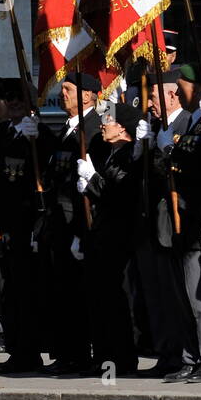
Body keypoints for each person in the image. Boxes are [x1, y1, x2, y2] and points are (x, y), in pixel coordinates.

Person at [154, 63, 201, 383]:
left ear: (197, 88)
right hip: (184, 220)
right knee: (186, 295)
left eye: (182, 85)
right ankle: (193, 356)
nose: (177, 90)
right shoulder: (192, 123)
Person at [39, 74, 107, 374]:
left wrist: (82, 231)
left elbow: (90, 187)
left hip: (79, 224)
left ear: (89, 96)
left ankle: (83, 354)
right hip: (60, 223)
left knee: (81, 295)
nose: (62, 93)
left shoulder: (94, 128)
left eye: (68, 89)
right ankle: (68, 353)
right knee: (62, 292)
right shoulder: (70, 129)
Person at [129, 67, 189, 381]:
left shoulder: (185, 122)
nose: (149, 102)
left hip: (172, 223)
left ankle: (181, 355)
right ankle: (166, 353)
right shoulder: (153, 125)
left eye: (153, 96)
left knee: (175, 295)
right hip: (148, 223)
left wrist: (162, 149)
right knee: (156, 296)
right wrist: (140, 148)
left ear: (171, 94)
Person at [77, 100, 141, 377]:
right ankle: (103, 356)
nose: (103, 125)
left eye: (109, 121)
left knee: (117, 302)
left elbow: (121, 196)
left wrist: (92, 181)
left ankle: (121, 359)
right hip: (100, 236)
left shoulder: (129, 155)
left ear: (123, 127)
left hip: (120, 237)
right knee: (98, 301)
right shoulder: (107, 153)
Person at [0, 78, 47, 373]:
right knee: (8, 291)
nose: (11, 105)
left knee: (26, 292)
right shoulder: (0, 132)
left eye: (17, 101)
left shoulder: (38, 135)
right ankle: (15, 349)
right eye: (8, 101)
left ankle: (29, 351)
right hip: (3, 224)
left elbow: (41, 180)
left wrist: (37, 140)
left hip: (25, 226)